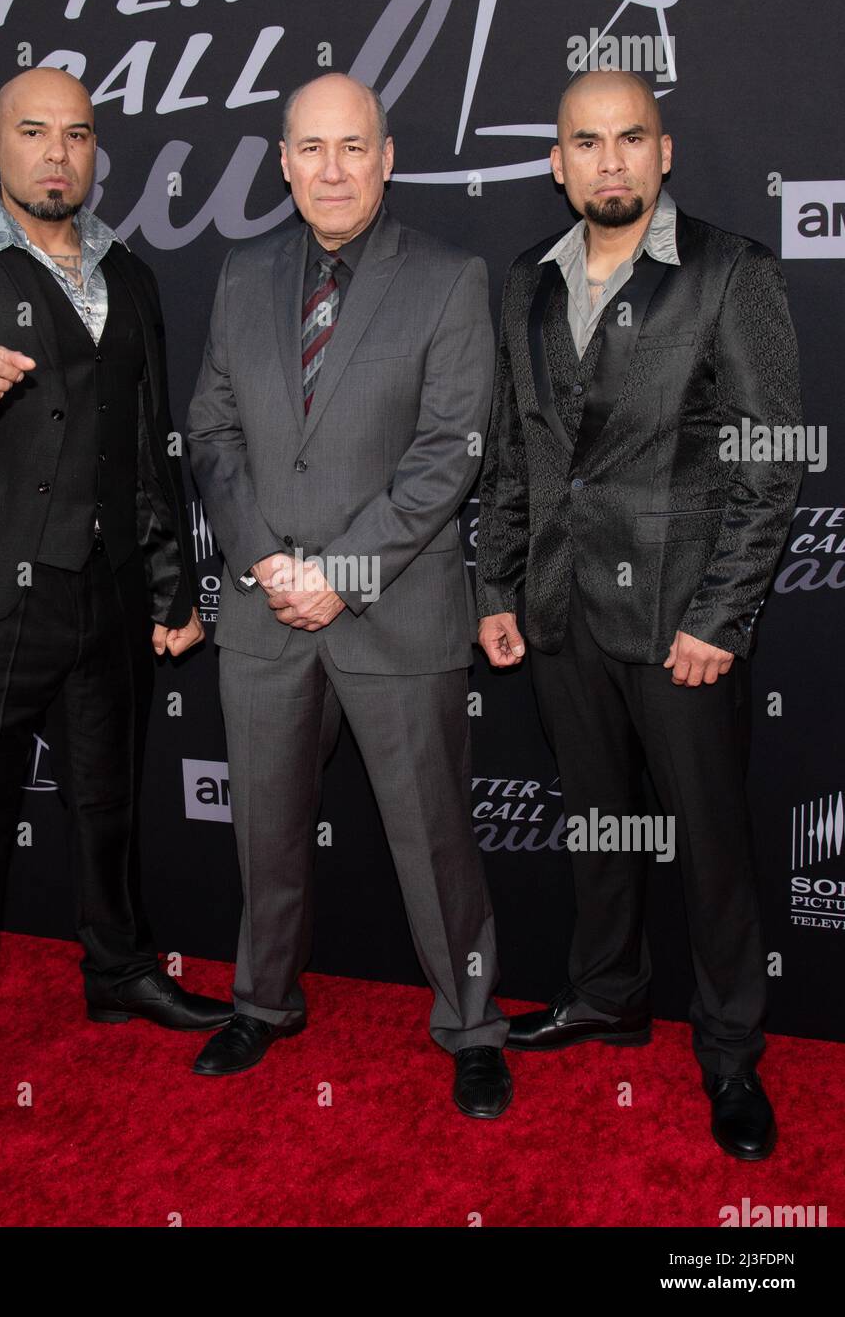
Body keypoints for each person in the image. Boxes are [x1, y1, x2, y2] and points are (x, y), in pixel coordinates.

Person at [0, 67, 232, 1158]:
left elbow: (147, 445)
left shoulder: (132, 272)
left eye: (76, 134)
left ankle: (119, 970)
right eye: (33, 132)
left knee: (111, 798)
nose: (56, 153)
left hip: (107, 588)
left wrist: (173, 582)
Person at [476, 69, 803, 1159]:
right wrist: (498, 586)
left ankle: (729, 1053)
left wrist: (721, 615)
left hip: (680, 629)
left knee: (709, 849)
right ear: (555, 161)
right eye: (586, 141)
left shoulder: (728, 272)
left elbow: (768, 465)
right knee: (600, 825)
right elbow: (518, 449)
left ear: (663, 154)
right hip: (562, 610)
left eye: (631, 139)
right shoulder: (526, 278)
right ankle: (608, 993)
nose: (609, 160)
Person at [186, 73, 511, 1118]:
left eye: (352, 148)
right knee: (265, 830)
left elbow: (447, 454)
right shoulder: (242, 274)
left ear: (384, 158)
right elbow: (212, 431)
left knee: (434, 840)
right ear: (283, 162)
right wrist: (263, 559)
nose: (332, 169)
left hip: (396, 609)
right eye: (310, 149)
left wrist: (340, 573)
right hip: (262, 610)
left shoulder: (451, 278)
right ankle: (264, 1000)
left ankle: (468, 1023)